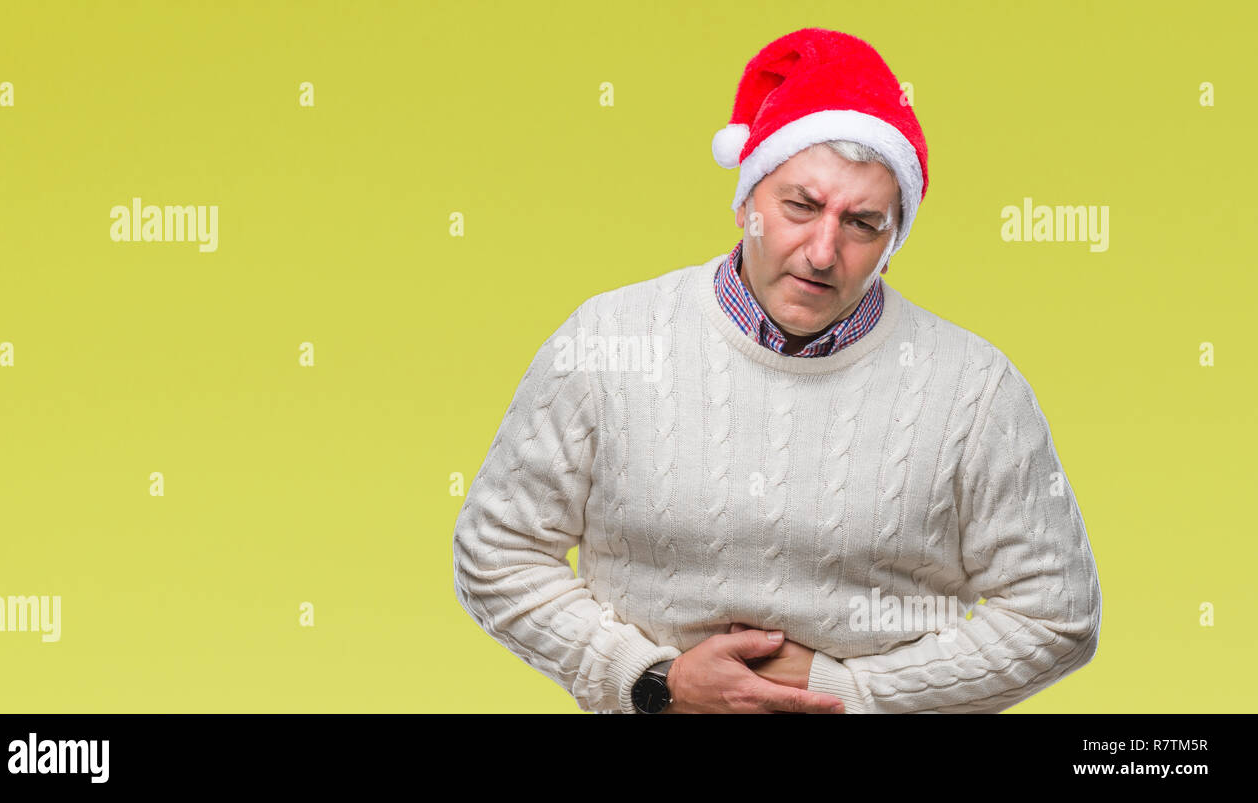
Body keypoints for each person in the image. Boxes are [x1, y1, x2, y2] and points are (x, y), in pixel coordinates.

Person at [452, 28, 1101, 714]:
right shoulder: (609, 340)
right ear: (745, 201)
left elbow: (1057, 613)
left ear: (893, 239)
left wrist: (850, 695)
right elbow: (495, 552)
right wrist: (652, 681)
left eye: (862, 223)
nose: (823, 250)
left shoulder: (975, 389)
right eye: (799, 205)